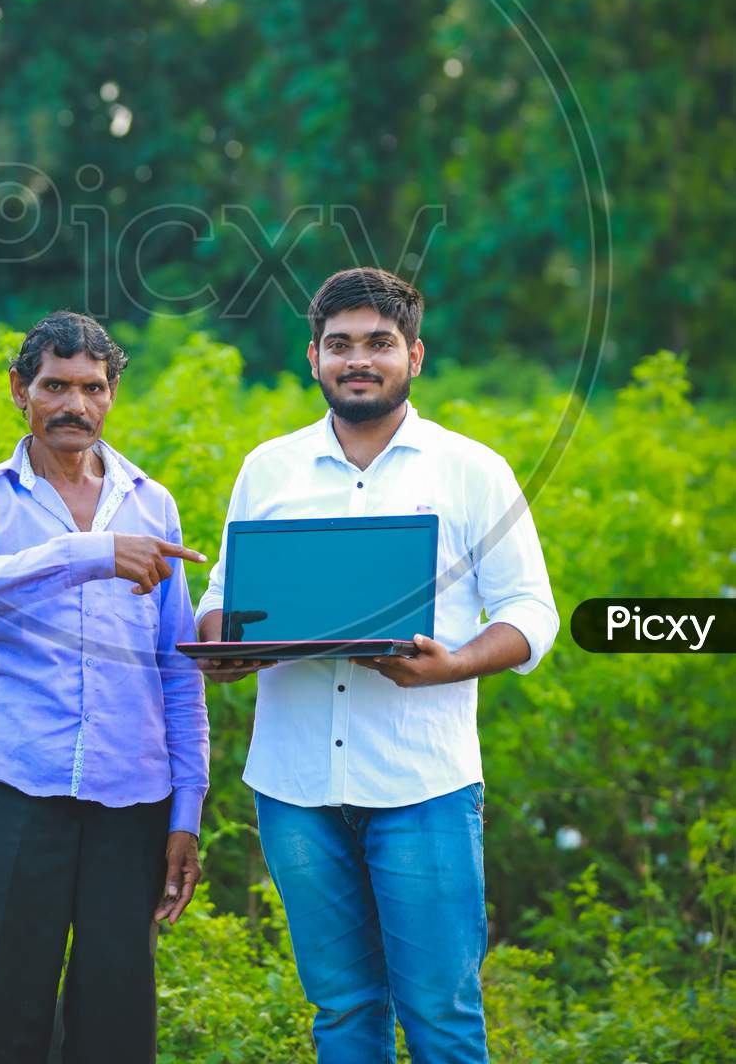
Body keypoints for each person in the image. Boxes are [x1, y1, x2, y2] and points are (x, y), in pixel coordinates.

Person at [195, 267, 559, 1064]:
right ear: (313, 357)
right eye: (339, 345)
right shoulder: (269, 470)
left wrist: (454, 662)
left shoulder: (470, 469)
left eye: (377, 344)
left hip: (421, 784)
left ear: (414, 356)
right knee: (341, 1011)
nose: (357, 360)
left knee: (441, 1013)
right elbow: (223, 596)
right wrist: (222, 645)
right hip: (294, 787)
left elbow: (532, 613)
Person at [0, 310, 209, 1064]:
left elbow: (177, 670)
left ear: (112, 393)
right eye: (54, 386)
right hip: (16, 787)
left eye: (90, 388)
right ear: (20, 389)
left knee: (116, 1020)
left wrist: (187, 809)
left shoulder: (153, 502)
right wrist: (91, 553)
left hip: (133, 800)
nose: (72, 407)